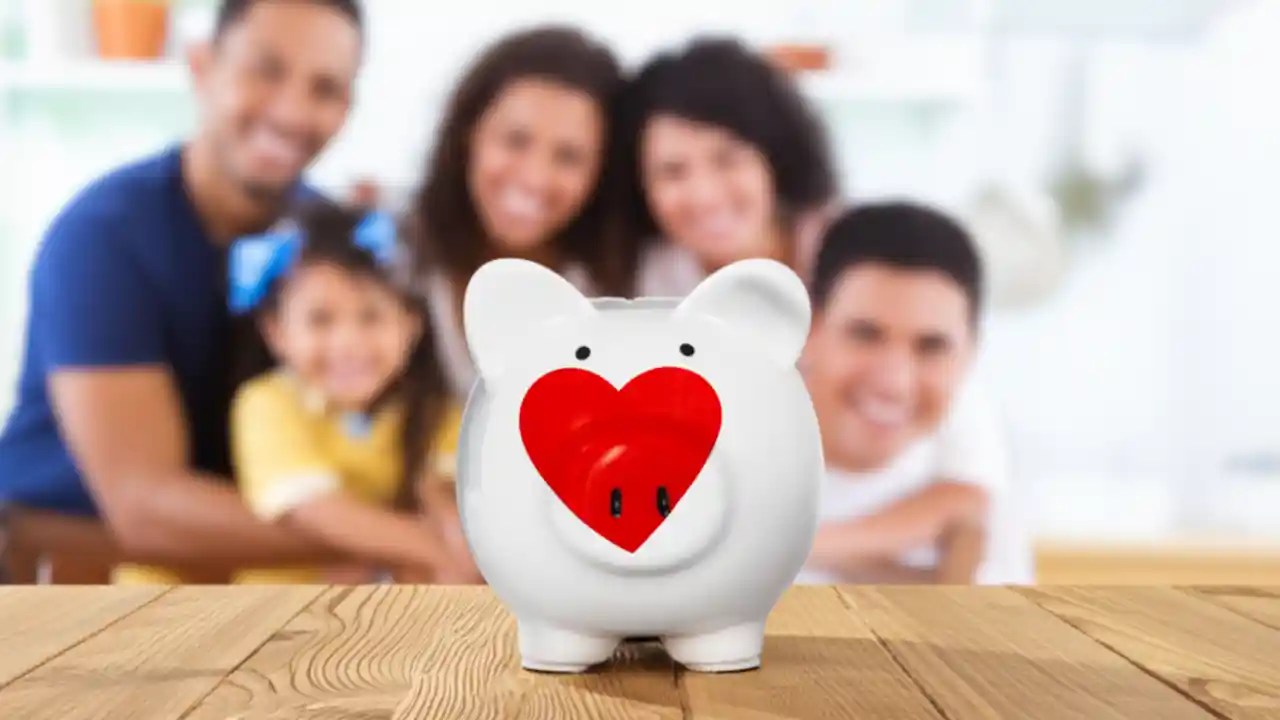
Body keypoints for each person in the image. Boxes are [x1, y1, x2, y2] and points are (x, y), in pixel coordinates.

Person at [0, 0, 366, 582]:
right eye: (265, 70)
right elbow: (143, 508)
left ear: (346, 108)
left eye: (325, 89)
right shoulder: (103, 236)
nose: (293, 110)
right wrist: (385, 536)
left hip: (248, 585)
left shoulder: (335, 244)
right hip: (70, 571)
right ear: (202, 67)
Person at [226, 203, 477, 583]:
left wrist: (453, 533)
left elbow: (446, 496)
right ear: (276, 332)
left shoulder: (436, 413)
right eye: (320, 319)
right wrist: (437, 550)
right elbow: (313, 508)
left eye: (371, 316)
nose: (347, 343)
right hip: (278, 613)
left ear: (410, 327)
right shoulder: (266, 404)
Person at [796, 203, 1031, 585]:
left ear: (971, 354)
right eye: (865, 334)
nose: (894, 382)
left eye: (931, 347)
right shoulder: (720, 463)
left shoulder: (986, 517)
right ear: (809, 329)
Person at [615, 38, 838, 297]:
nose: (705, 195)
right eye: (672, 171)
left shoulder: (849, 256)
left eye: (726, 160)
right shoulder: (636, 291)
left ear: (774, 157)